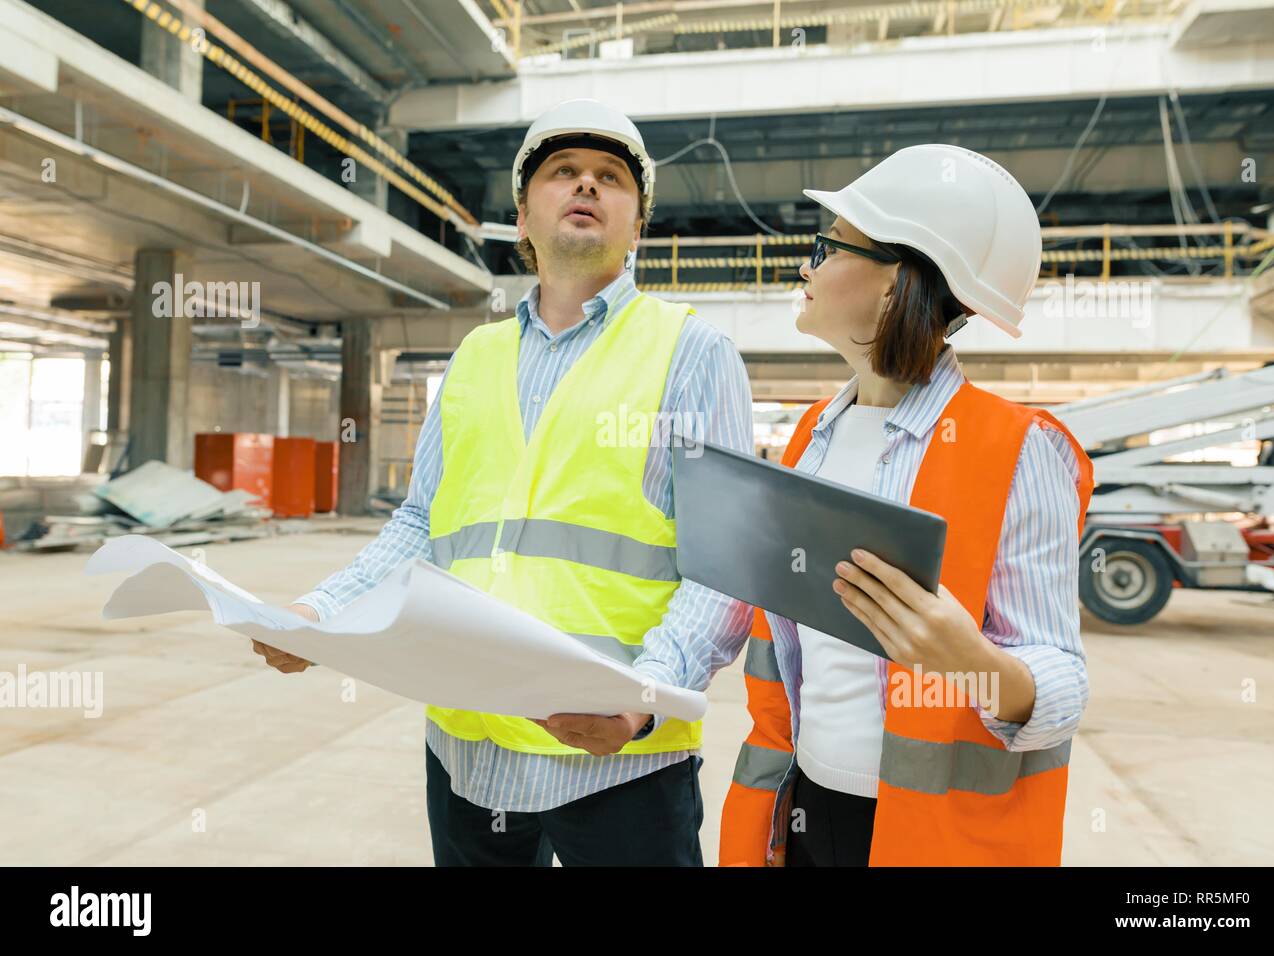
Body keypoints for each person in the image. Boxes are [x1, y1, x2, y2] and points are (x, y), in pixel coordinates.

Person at [250, 99, 754, 866]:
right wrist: (318, 612)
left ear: (637, 226)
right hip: (466, 749)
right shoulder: (472, 359)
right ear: (523, 216)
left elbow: (723, 564)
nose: (586, 185)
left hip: (617, 762)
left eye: (610, 177)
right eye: (563, 172)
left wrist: (643, 696)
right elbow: (421, 523)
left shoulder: (692, 351)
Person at [666, 144, 1092, 865]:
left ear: (897, 280)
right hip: (800, 814)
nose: (805, 266)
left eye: (825, 246)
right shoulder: (810, 438)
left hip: (932, 841)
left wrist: (974, 662)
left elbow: (1062, 687)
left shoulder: (1020, 450)